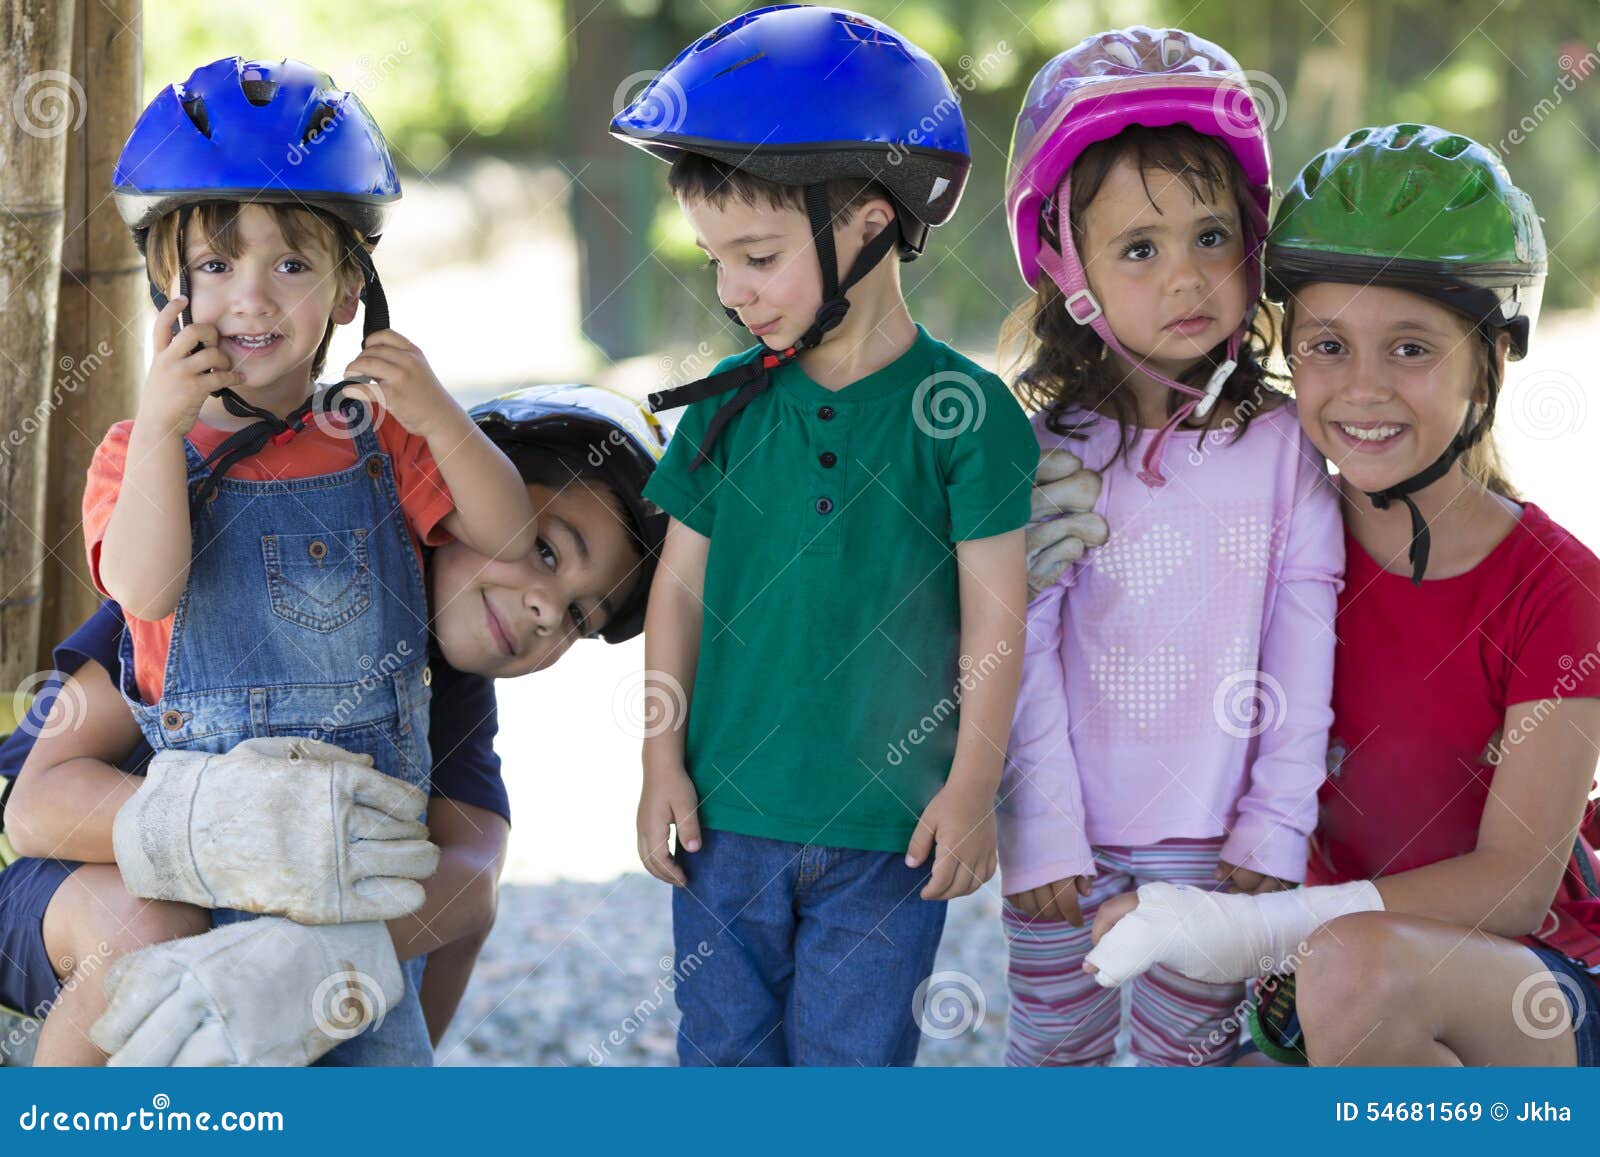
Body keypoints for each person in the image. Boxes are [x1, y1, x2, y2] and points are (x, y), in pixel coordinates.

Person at [1082, 125, 1600, 1069]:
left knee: (1352, 965)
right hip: (1311, 989)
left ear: (1490, 359)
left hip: (1529, 986)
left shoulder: (1558, 585)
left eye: (1410, 348)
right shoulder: (1258, 541)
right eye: (1327, 345)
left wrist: (1252, 931)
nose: (1364, 389)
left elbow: (1517, 887)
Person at [0, 384, 666, 1065]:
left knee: (342, 959)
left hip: (238, 933)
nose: (550, 614)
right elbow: (32, 810)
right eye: (548, 552)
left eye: (583, 618)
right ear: (461, 478)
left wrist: (328, 959)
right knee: (157, 927)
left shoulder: (447, 678)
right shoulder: (218, 557)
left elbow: (472, 875)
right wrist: (207, 823)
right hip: (57, 883)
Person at [611, 4, 1037, 1066]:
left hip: (886, 835)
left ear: (869, 219)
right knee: (722, 1066)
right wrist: (660, 758)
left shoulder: (967, 412)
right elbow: (675, 591)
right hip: (724, 824)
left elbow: (997, 613)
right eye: (715, 258)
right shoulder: (724, 404)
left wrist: (972, 785)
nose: (729, 290)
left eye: (755, 255)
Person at [994, 26, 1343, 1067]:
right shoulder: (1051, 451)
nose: (1186, 275)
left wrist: (1275, 829)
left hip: (1220, 850)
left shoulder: (1288, 450)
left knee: (1192, 1075)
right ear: (1068, 268)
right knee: (1050, 1061)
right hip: (1071, 844)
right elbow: (1018, 652)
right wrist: (1043, 827)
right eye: (1138, 248)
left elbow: (1302, 647)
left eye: (1210, 234)